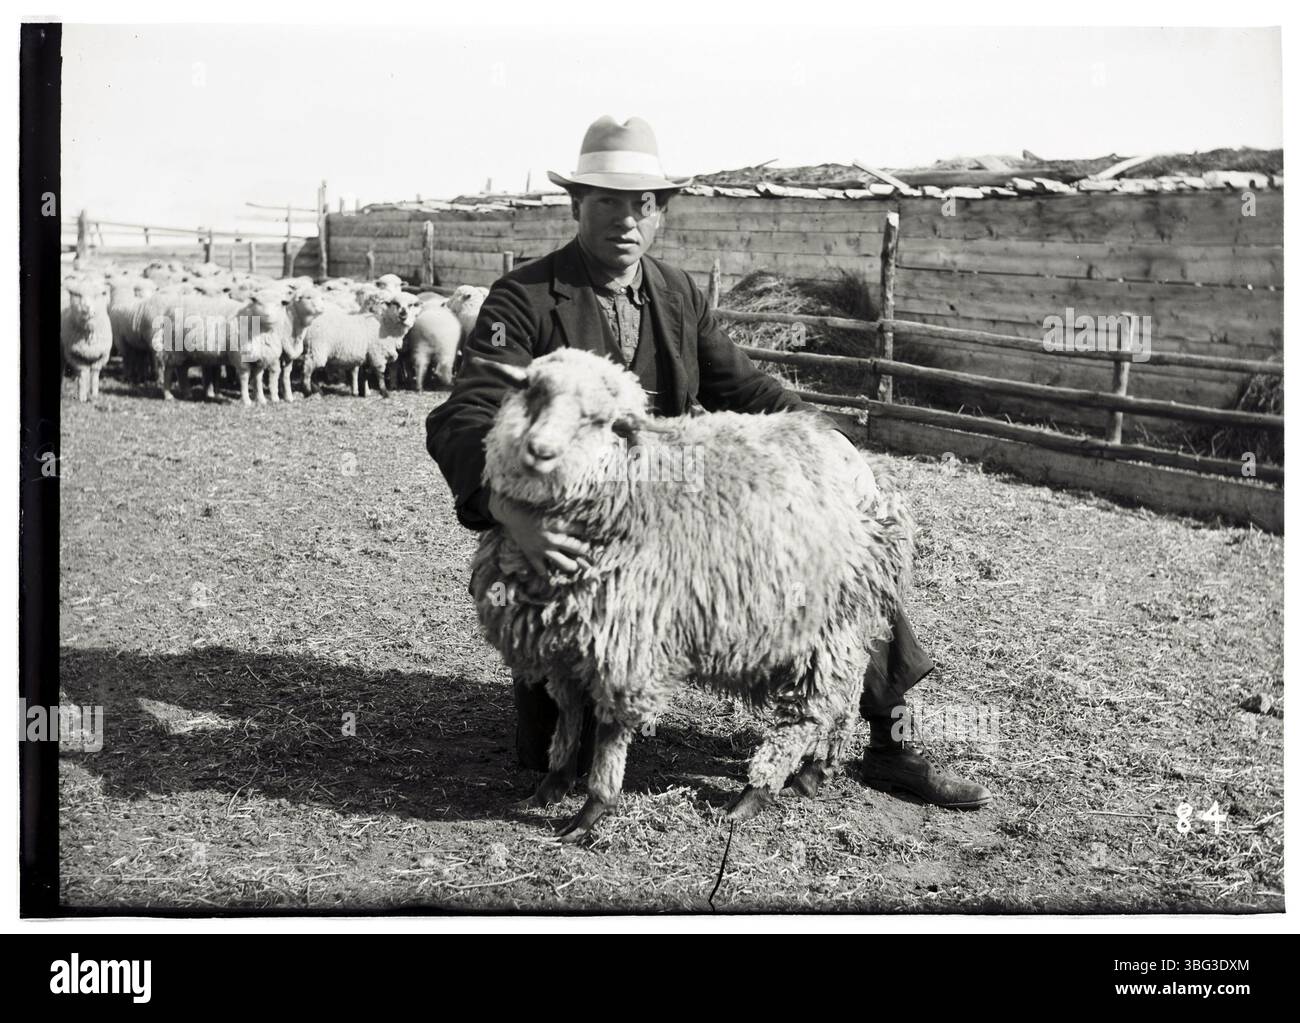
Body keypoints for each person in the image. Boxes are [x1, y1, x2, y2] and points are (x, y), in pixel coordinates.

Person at [427, 115, 991, 809]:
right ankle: (587, 715)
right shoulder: (526, 297)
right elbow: (464, 416)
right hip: (577, 538)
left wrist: (824, 435)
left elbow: (743, 387)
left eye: (642, 204)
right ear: (577, 204)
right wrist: (514, 516)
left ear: (660, 212)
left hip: (678, 510)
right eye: (607, 201)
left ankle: (889, 741)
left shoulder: (676, 292)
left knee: (841, 560)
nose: (626, 219)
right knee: (540, 747)